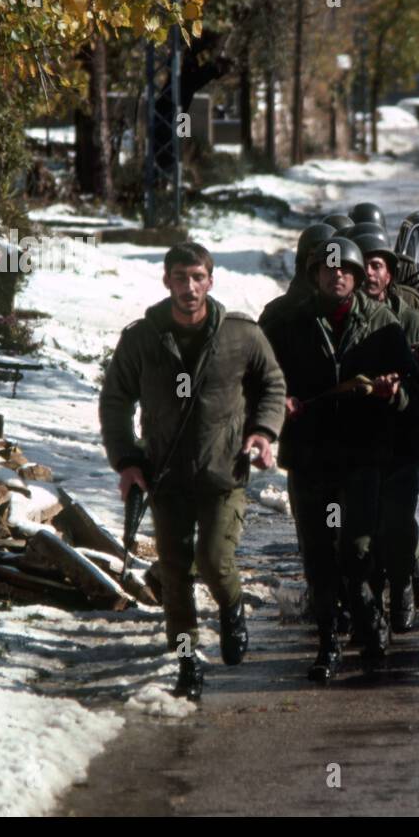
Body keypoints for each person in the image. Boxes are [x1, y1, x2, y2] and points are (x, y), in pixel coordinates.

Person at [100, 243, 286, 701]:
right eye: (180, 277)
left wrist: (262, 433)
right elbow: (116, 401)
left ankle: (232, 606)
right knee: (175, 574)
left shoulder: (239, 334)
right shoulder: (143, 337)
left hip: (224, 474)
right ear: (166, 281)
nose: (189, 287)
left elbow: (272, 383)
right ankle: (187, 660)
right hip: (165, 477)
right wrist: (126, 461)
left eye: (197, 277)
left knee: (214, 562)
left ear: (211, 280)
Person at [266, 237, 419, 682]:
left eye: (345, 270)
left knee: (356, 550)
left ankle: (367, 611)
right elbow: (262, 380)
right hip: (309, 456)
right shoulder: (289, 323)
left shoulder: (382, 323)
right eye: (327, 269)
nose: (336, 275)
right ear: (315, 274)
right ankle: (328, 642)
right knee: (318, 554)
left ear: (355, 277)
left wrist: (394, 394)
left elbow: (414, 388)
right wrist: (281, 405)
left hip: (362, 455)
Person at [356, 231, 419, 632]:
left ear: (389, 274)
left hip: (402, 438)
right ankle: (369, 602)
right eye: (364, 266)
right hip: (355, 442)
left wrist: (412, 378)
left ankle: (403, 584)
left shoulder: (411, 318)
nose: (370, 274)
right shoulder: (341, 318)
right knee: (363, 528)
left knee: (398, 522)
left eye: (378, 266)